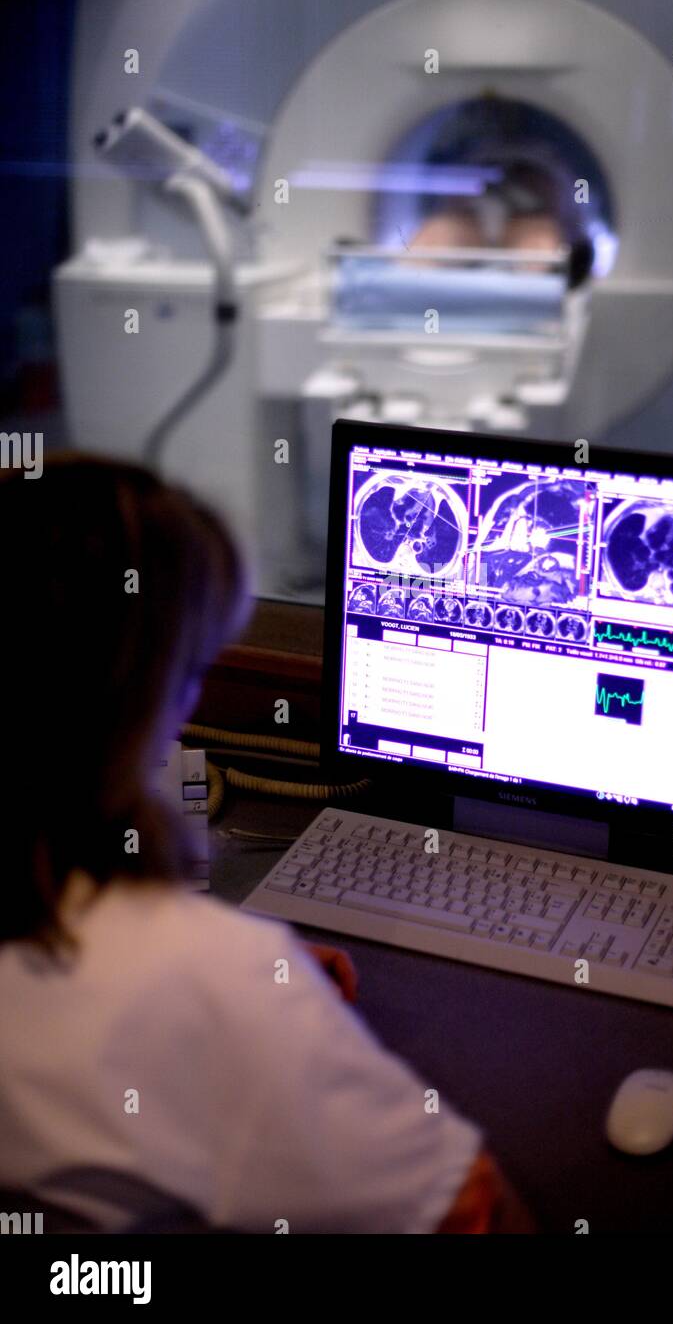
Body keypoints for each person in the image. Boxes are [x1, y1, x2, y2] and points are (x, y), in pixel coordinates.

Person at [0, 455, 533, 1234]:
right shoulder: (216, 981)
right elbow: (482, 1220)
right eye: (193, 670)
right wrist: (245, 1000)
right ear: (143, 696)